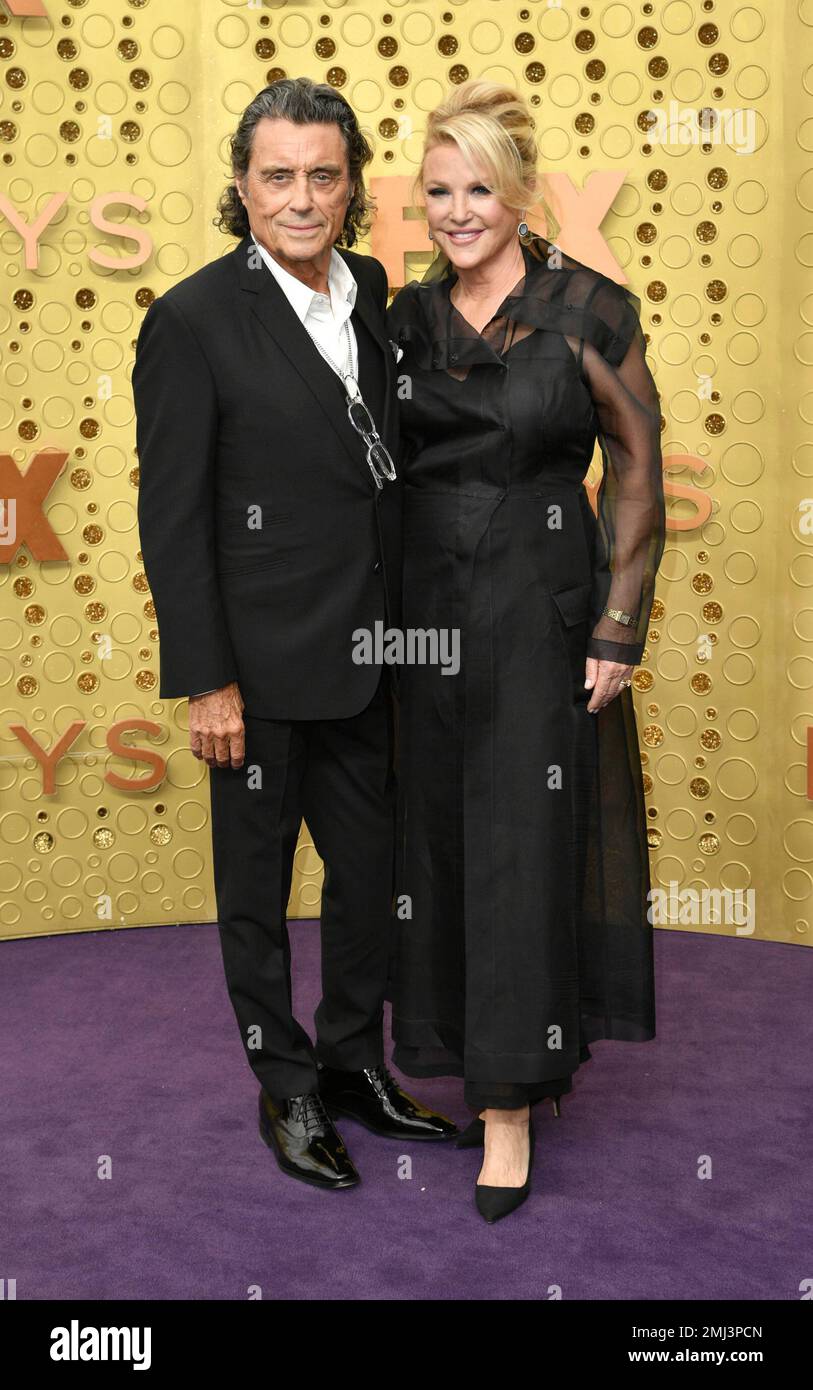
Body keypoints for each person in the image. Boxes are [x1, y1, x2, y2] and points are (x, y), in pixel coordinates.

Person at [133, 78, 458, 1194]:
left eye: (324, 174)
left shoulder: (371, 288)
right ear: (241, 185)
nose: (303, 197)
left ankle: (353, 1061)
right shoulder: (189, 320)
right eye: (279, 176)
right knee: (256, 893)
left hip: (370, 660)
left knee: (367, 881)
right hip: (256, 674)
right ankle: (287, 1086)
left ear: (354, 184)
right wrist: (206, 681)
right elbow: (172, 520)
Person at [386, 80, 666, 1222]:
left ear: (520, 193)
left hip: (540, 613)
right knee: (440, 847)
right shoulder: (403, 320)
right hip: (420, 618)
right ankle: (466, 1052)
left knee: (516, 848)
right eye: (439, 193)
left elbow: (638, 472)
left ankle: (508, 1105)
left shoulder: (587, 308)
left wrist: (615, 625)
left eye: (480, 190)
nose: (459, 213)